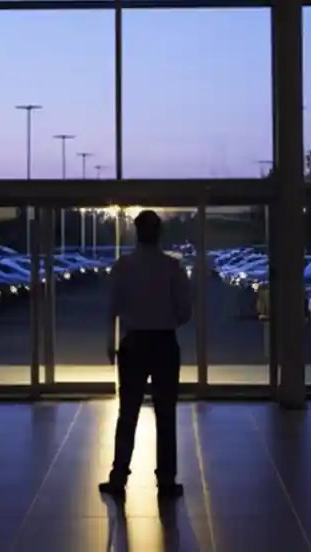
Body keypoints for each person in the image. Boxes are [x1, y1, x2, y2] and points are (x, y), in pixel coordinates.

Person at [98, 210, 192, 501]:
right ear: (159, 233)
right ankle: (166, 480)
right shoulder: (172, 268)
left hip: (134, 342)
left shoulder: (123, 267)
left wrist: (110, 343)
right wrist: (166, 321)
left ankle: (118, 477)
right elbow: (185, 310)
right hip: (164, 342)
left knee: (128, 414)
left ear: (135, 232)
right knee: (165, 415)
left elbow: (111, 308)